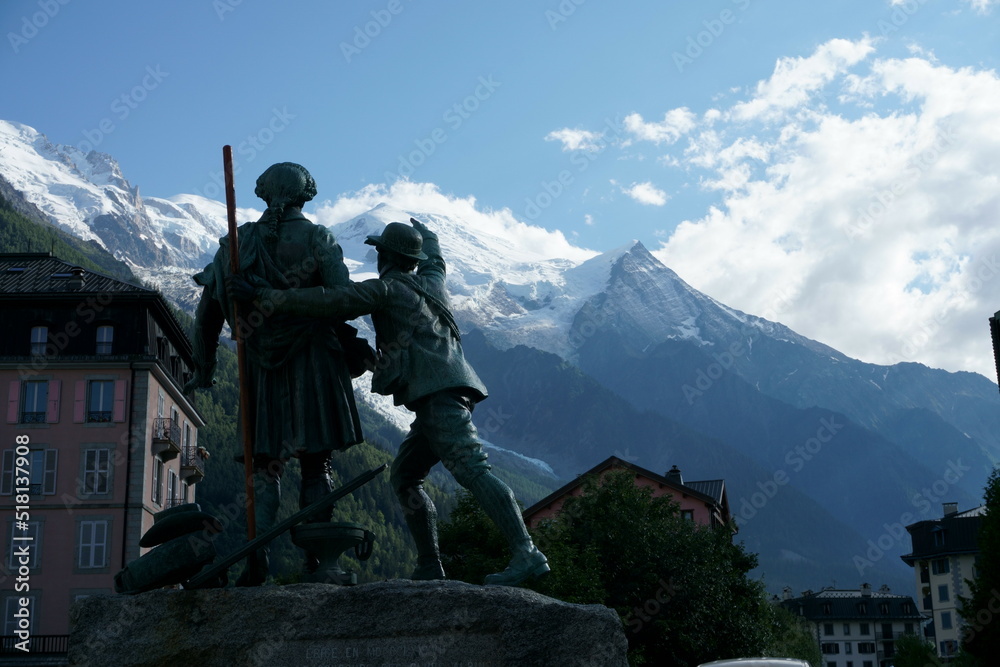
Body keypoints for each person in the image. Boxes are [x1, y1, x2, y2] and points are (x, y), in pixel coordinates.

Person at [228, 217, 549, 586]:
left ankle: (526, 552)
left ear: (385, 256)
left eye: (379, 250)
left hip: (437, 395)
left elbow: (330, 299)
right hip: (445, 392)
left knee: (473, 469)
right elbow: (436, 260)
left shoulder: (384, 290)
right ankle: (430, 564)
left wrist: (264, 295)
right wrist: (428, 236)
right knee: (406, 476)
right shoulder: (432, 282)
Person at [184, 162, 369, 585]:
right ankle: (318, 561)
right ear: (305, 194)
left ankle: (258, 556)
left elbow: (206, 316)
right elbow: (344, 300)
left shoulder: (237, 245)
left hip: (260, 366)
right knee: (316, 462)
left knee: (263, 465)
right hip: (315, 359)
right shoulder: (318, 238)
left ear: (265, 193)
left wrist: (204, 369)